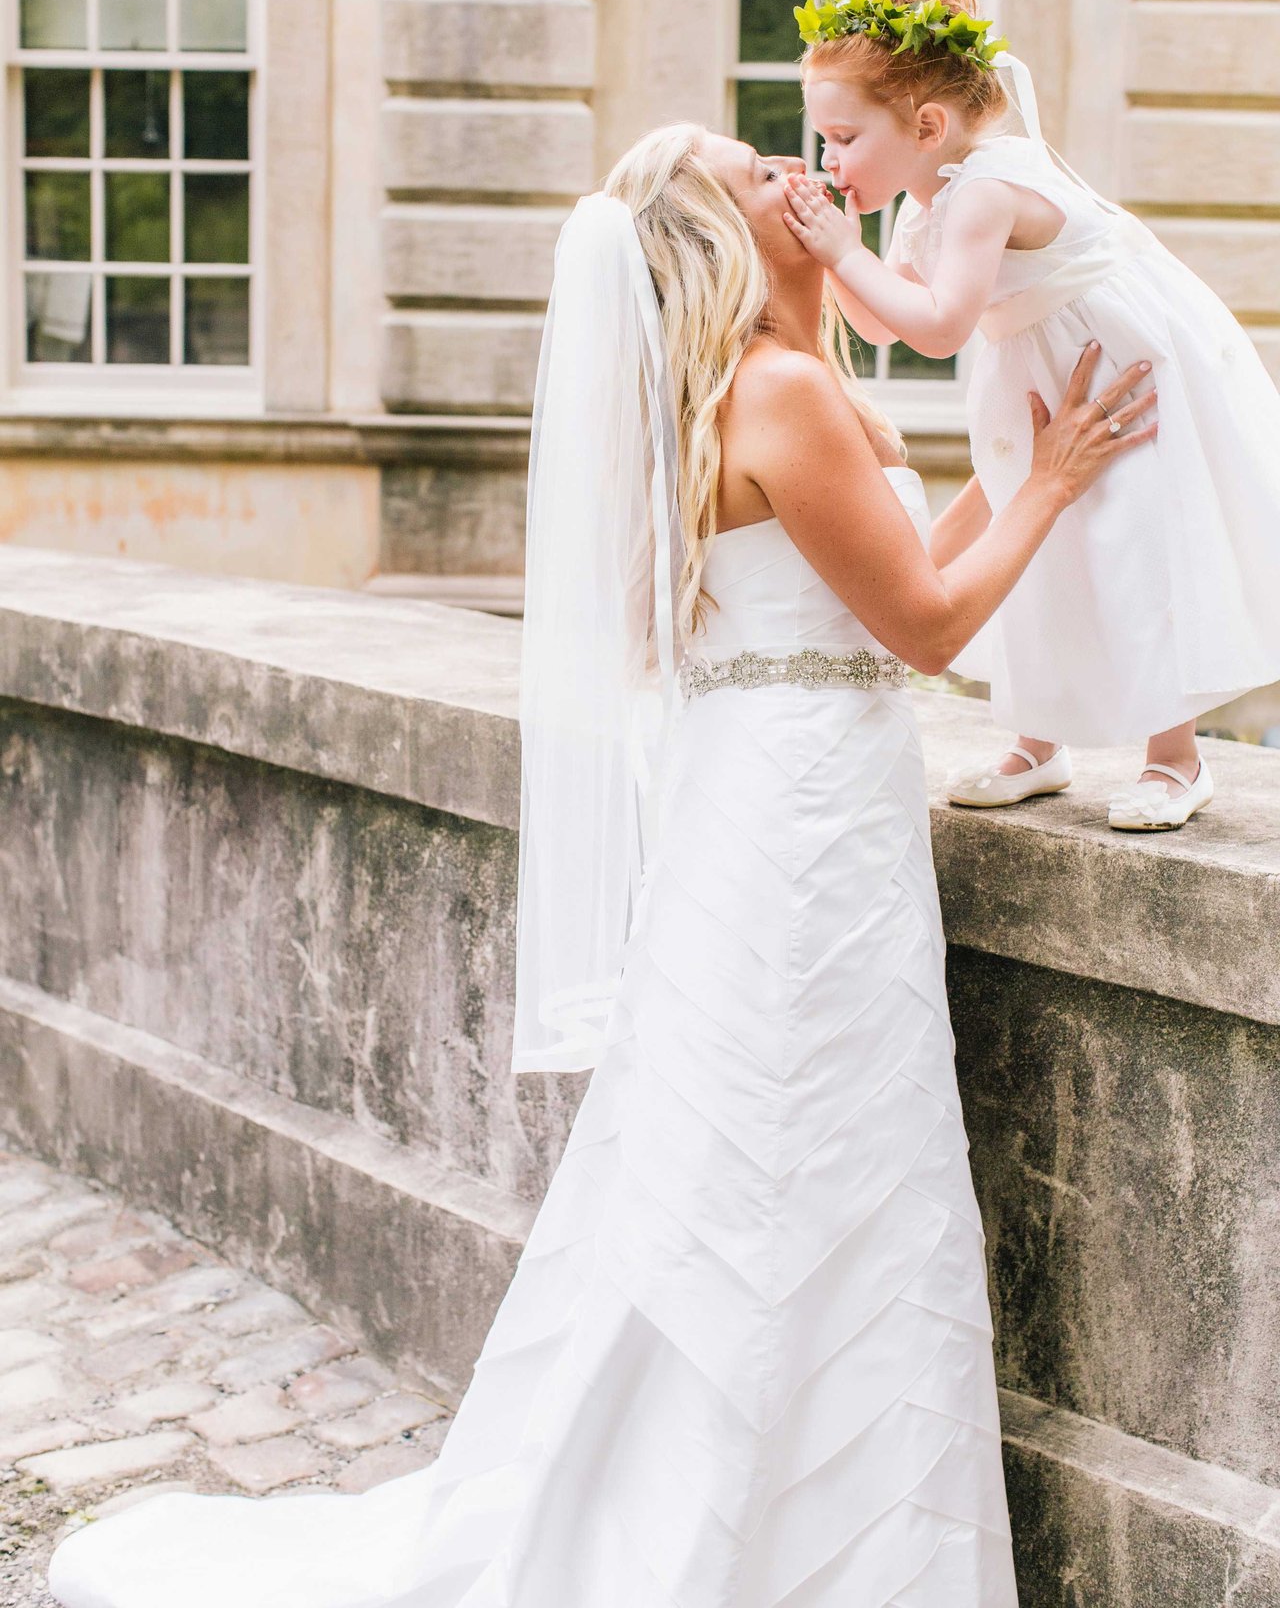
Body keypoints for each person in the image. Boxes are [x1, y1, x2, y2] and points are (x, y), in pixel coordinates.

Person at [48, 123, 1153, 1608]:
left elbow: (879, 580)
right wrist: (1055, 479)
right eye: (761, 173)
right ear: (723, 238)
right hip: (805, 827)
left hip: (774, 802)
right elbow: (932, 628)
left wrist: (1019, 462)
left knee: (759, 1157)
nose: (794, 172)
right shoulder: (777, 391)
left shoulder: (743, 395)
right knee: (817, 1155)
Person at [784, 0, 1280, 831]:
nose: (831, 153)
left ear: (927, 126)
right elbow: (880, 324)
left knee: (1133, 540)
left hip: (1117, 376)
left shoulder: (987, 188)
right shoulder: (920, 202)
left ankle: (1177, 758)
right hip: (1030, 377)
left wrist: (840, 250)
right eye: (826, 136)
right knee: (1039, 543)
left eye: (847, 138)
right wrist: (840, 254)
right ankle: (1037, 741)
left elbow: (938, 328)